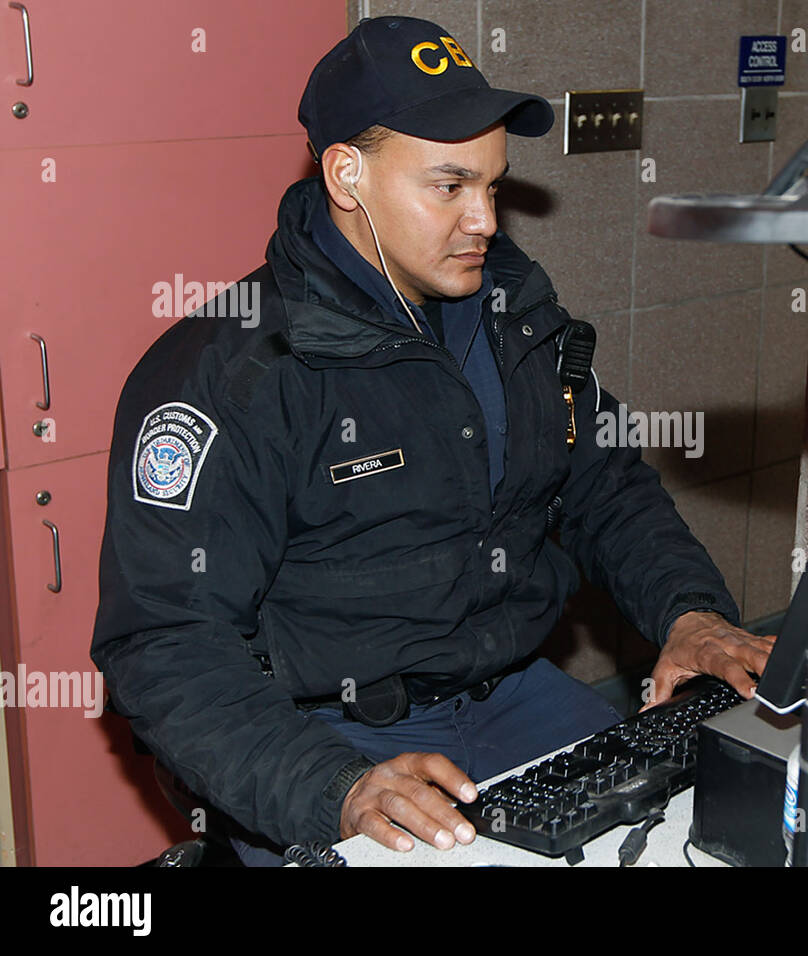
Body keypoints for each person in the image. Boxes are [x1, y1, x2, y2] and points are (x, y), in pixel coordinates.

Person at [91, 15, 773, 865]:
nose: (484, 220)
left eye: (493, 185)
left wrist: (689, 611)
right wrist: (331, 787)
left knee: (708, 831)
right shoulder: (230, 373)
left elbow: (604, 485)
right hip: (324, 738)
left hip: (512, 694)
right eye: (449, 187)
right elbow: (162, 642)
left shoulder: (516, 319)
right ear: (347, 175)